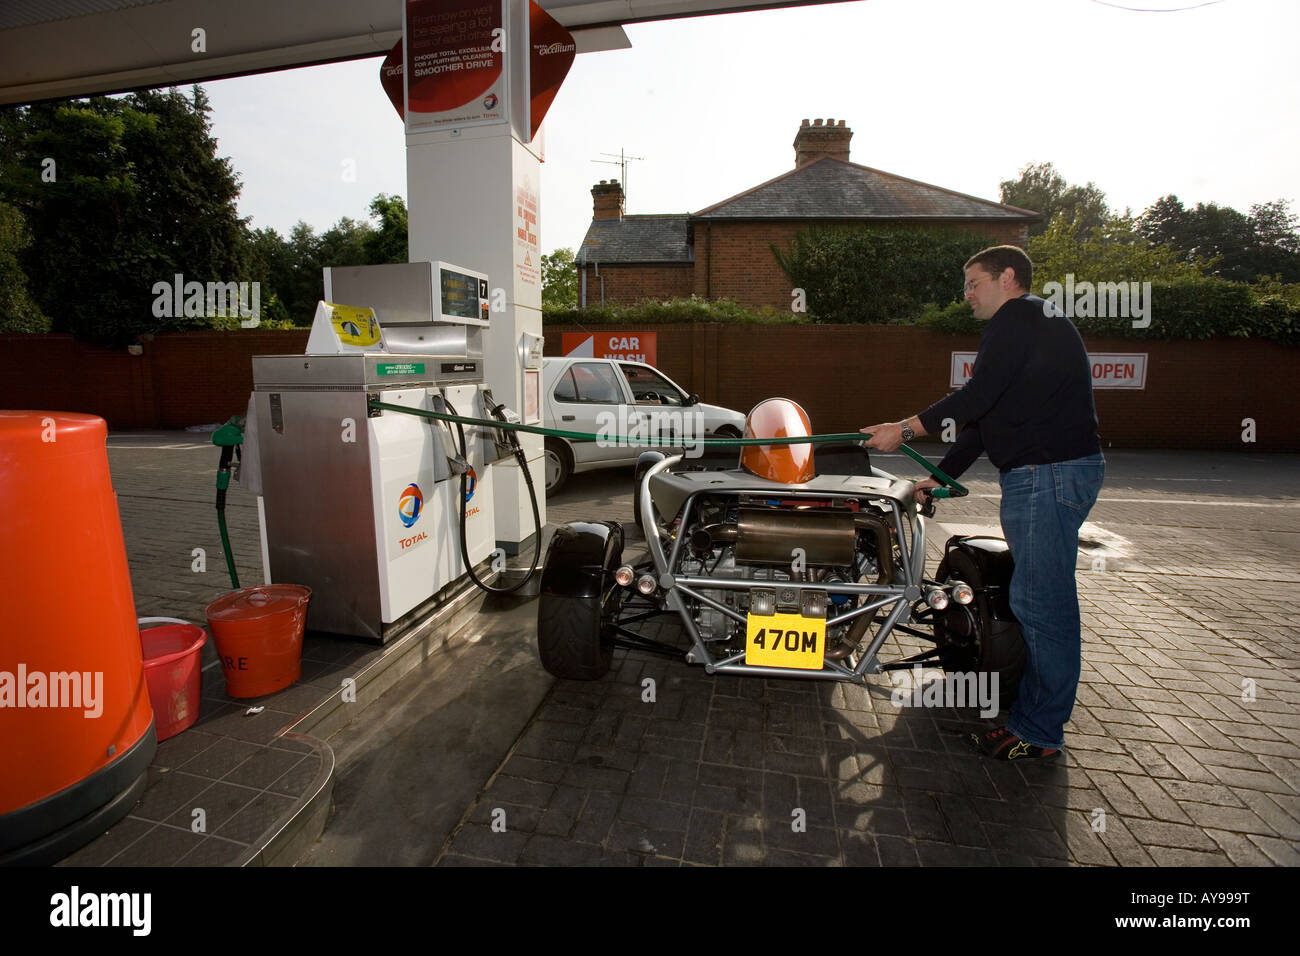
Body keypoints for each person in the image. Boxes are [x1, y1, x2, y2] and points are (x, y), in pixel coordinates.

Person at [861, 245, 1104, 760]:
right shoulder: (1032, 325)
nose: (967, 295)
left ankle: (1039, 731)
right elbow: (983, 419)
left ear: (1007, 277)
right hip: (1048, 475)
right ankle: (1038, 718)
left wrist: (902, 429)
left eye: (974, 283)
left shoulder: (1019, 318)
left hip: (1046, 477)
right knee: (1039, 601)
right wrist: (938, 476)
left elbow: (976, 396)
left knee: (1043, 606)